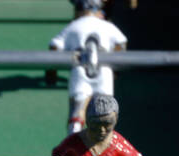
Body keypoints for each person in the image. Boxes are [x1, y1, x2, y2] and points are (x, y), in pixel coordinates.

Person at [47, 0, 127, 134]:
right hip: (104, 70)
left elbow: (54, 46)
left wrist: (52, 72)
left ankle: (71, 145)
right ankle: (107, 150)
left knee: (77, 111)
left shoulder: (74, 26)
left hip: (79, 70)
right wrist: (115, 67)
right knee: (106, 112)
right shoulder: (106, 26)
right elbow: (121, 43)